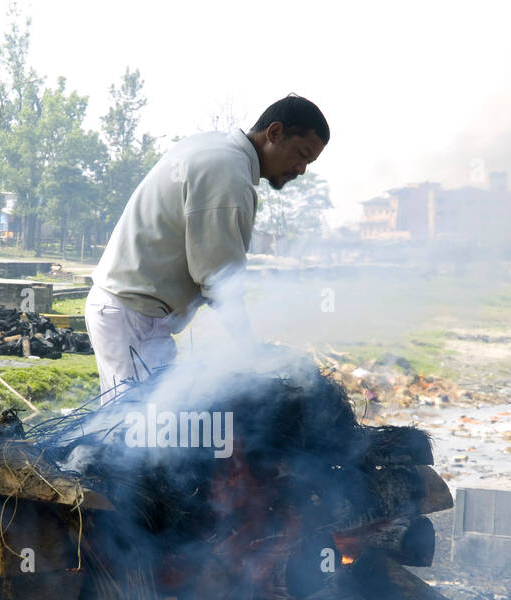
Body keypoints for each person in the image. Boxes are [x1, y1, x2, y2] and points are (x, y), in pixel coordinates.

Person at [86, 94, 329, 399]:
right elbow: (219, 283)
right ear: (275, 132)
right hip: (131, 313)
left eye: (309, 162)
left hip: (137, 312)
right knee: (134, 427)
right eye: (302, 154)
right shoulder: (228, 175)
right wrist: (251, 353)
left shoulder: (217, 149)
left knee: (154, 422)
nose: (302, 169)